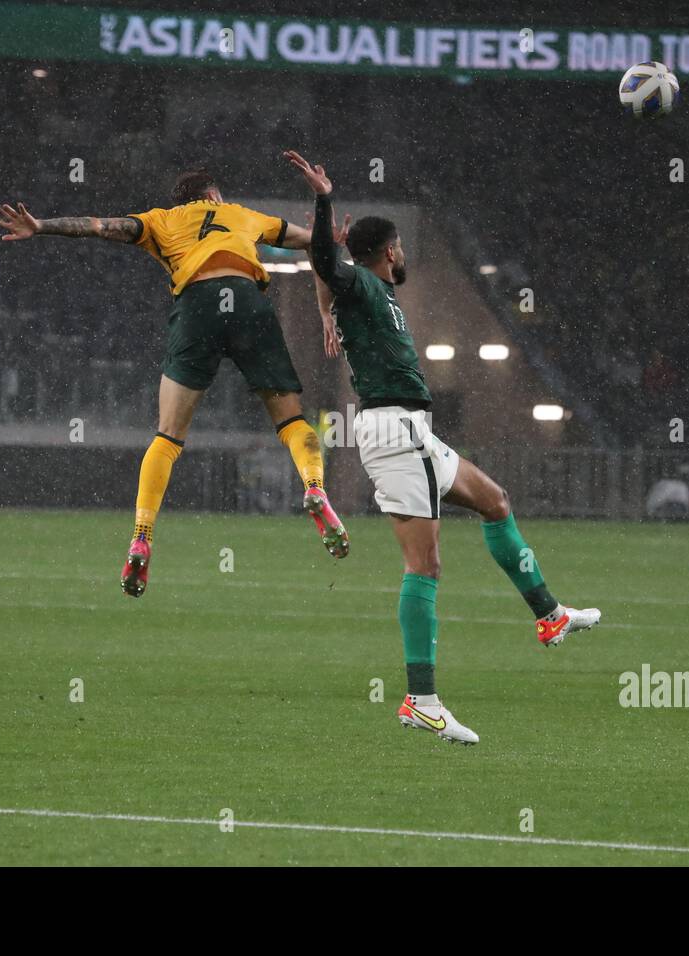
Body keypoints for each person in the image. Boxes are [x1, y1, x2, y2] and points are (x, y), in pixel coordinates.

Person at [286, 150, 600, 746]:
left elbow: (328, 277)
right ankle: (420, 699)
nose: (403, 255)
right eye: (399, 248)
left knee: (497, 502)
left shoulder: (373, 292)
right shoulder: (359, 281)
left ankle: (549, 614)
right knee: (424, 566)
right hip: (392, 433)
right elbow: (324, 260)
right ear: (388, 251)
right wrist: (324, 200)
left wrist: (327, 305)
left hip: (415, 433)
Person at [0, 169, 349, 600]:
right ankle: (314, 488)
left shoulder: (161, 220)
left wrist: (42, 226)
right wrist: (330, 224)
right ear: (214, 195)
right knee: (291, 420)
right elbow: (314, 240)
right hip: (248, 301)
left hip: (197, 305)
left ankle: (142, 535)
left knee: (168, 436)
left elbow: (102, 227)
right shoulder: (239, 213)